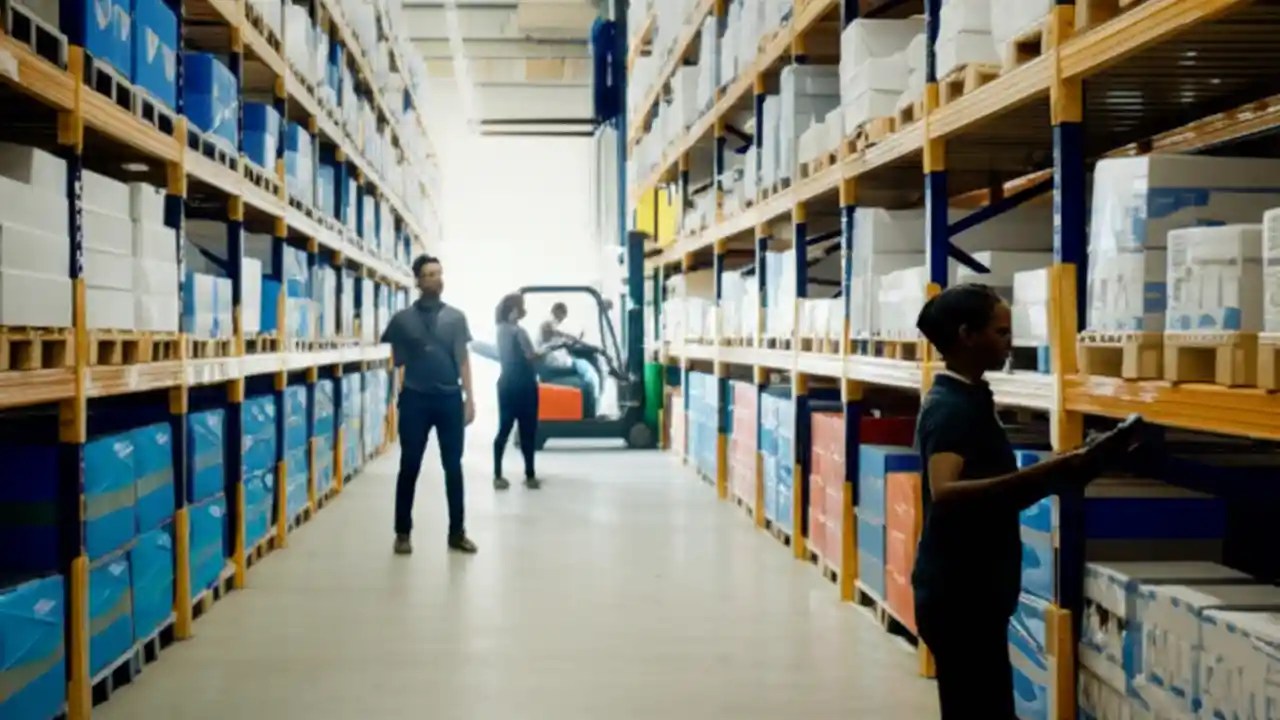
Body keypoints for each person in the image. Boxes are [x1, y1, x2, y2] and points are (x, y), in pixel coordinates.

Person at [911, 284, 1140, 718]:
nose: (1009, 342)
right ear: (967, 335)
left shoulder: (971, 396)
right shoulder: (950, 407)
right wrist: (1053, 472)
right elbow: (945, 492)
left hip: (973, 594)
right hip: (959, 599)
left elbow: (993, 492)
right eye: (1000, 332)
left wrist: (1073, 466)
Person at [380, 254, 478, 556]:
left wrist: (470, 398)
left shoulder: (456, 318)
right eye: (430, 274)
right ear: (419, 281)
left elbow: (462, 358)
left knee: (453, 467)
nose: (436, 278)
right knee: (409, 465)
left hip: (449, 398)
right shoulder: (402, 320)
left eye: (439, 273)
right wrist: (394, 399)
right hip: (416, 400)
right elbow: (395, 363)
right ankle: (402, 533)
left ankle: (457, 532)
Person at [493, 293, 558, 490]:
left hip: (505, 383)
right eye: (520, 307)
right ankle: (530, 476)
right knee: (527, 430)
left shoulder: (500, 330)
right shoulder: (518, 331)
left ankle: (498, 475)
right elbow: (531, 356)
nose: (522, 311)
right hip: (524, 385)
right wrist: (547, 349)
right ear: (513, 311)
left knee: (504, 428)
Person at [539, 302, 600, 414]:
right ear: (557, 312)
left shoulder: (554, 327)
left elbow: (564, 339)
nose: (563, 318)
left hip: (561, 361)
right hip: (555, 366)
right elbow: (561, 335)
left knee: (586, 368)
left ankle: (594, 402)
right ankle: (592, 407)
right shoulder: (548, 324)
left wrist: (574, 340)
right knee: (587, 373)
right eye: (563, 315)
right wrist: (576, 339)